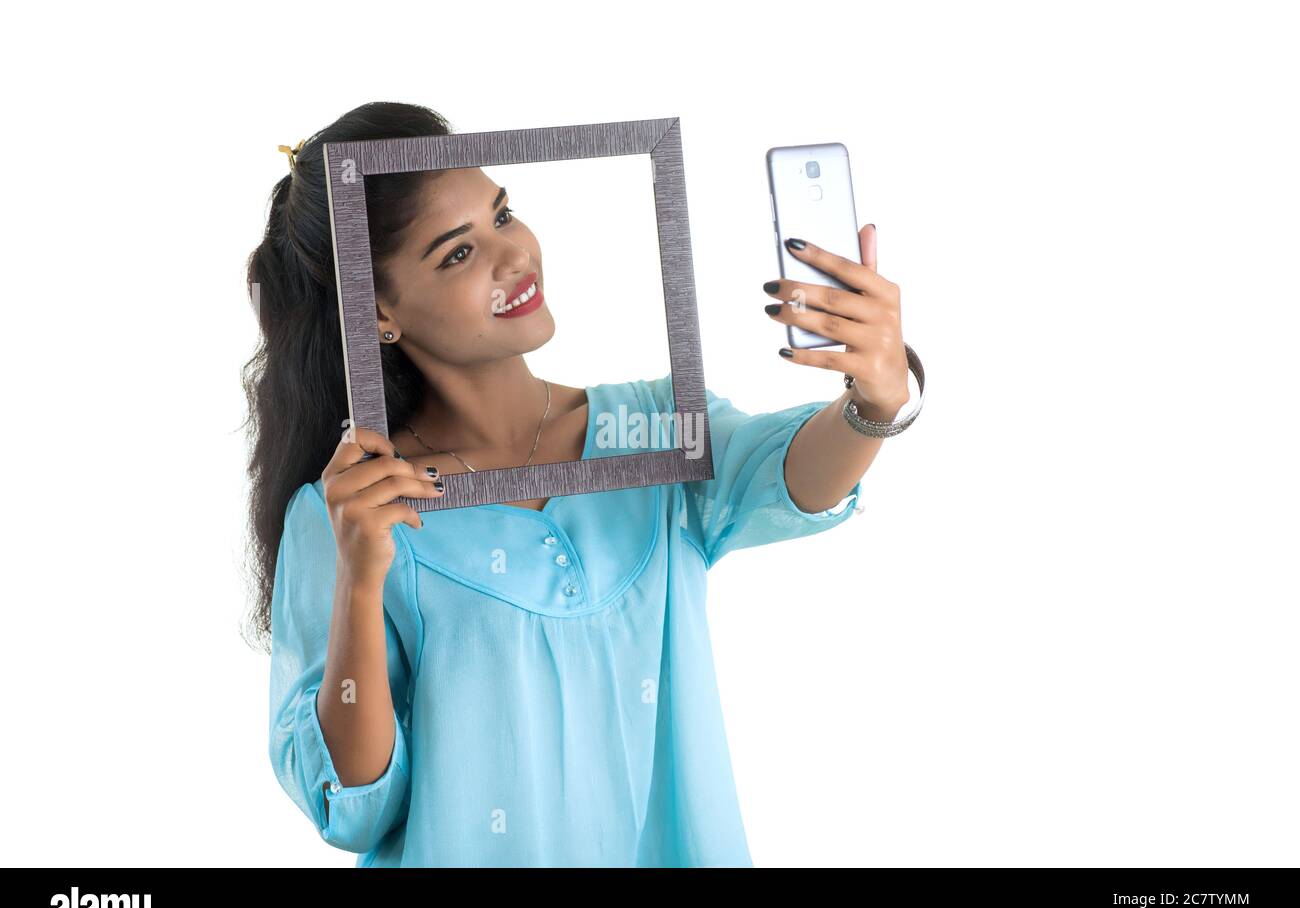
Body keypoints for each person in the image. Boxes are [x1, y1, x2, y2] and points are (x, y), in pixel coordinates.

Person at [244, 101, 915, 867]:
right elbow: (353, 806)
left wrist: (874, 403)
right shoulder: (352, 510)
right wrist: (361, 582)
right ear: (380, 311)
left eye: (503, 213)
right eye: (457, 254)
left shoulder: (650, 426)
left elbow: (788, 475)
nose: (512, 257)